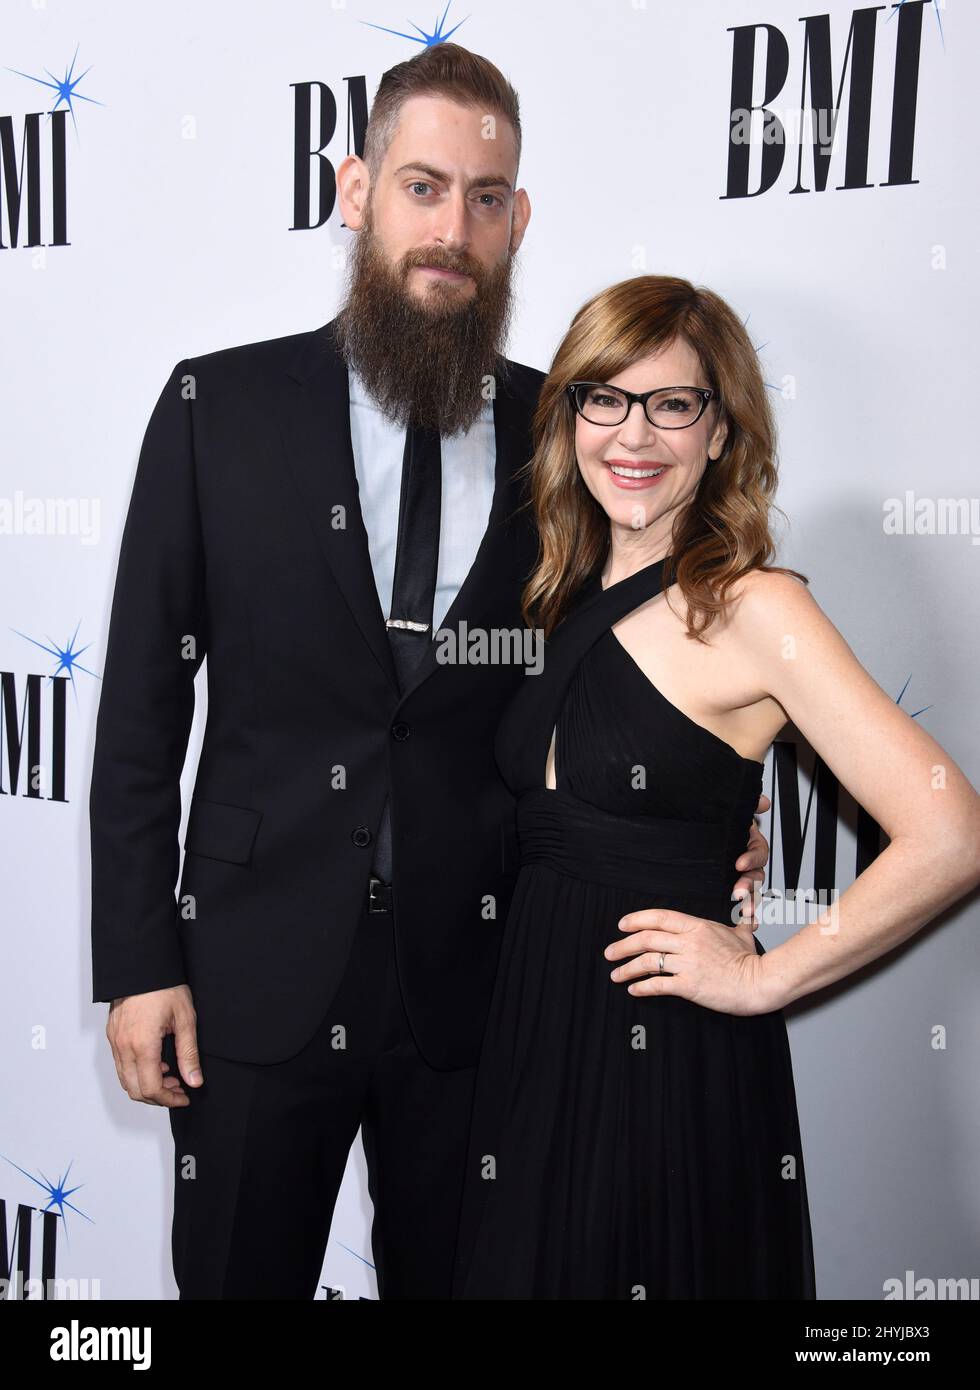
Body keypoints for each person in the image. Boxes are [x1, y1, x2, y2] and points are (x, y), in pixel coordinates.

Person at [89, 46, 769, 1300]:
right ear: (355, 191)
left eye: (486, 196)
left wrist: (696, 810)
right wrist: (138, 963)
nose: (451, 229)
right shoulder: (213, 407)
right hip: (247, 973)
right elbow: (140, 709)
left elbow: (606, 664)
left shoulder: (566, 432)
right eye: (421, 185)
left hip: (483, 983)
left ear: (518, 220)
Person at [452, 274, 980, 1300]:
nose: (632, 433)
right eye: (603, 397)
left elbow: (948, 830)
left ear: (719, 431)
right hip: (529, 1039)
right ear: (567, 418)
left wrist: (759, 977)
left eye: (672, 403)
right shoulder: (550, 593)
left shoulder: (752, 606)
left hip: (663, 1057)